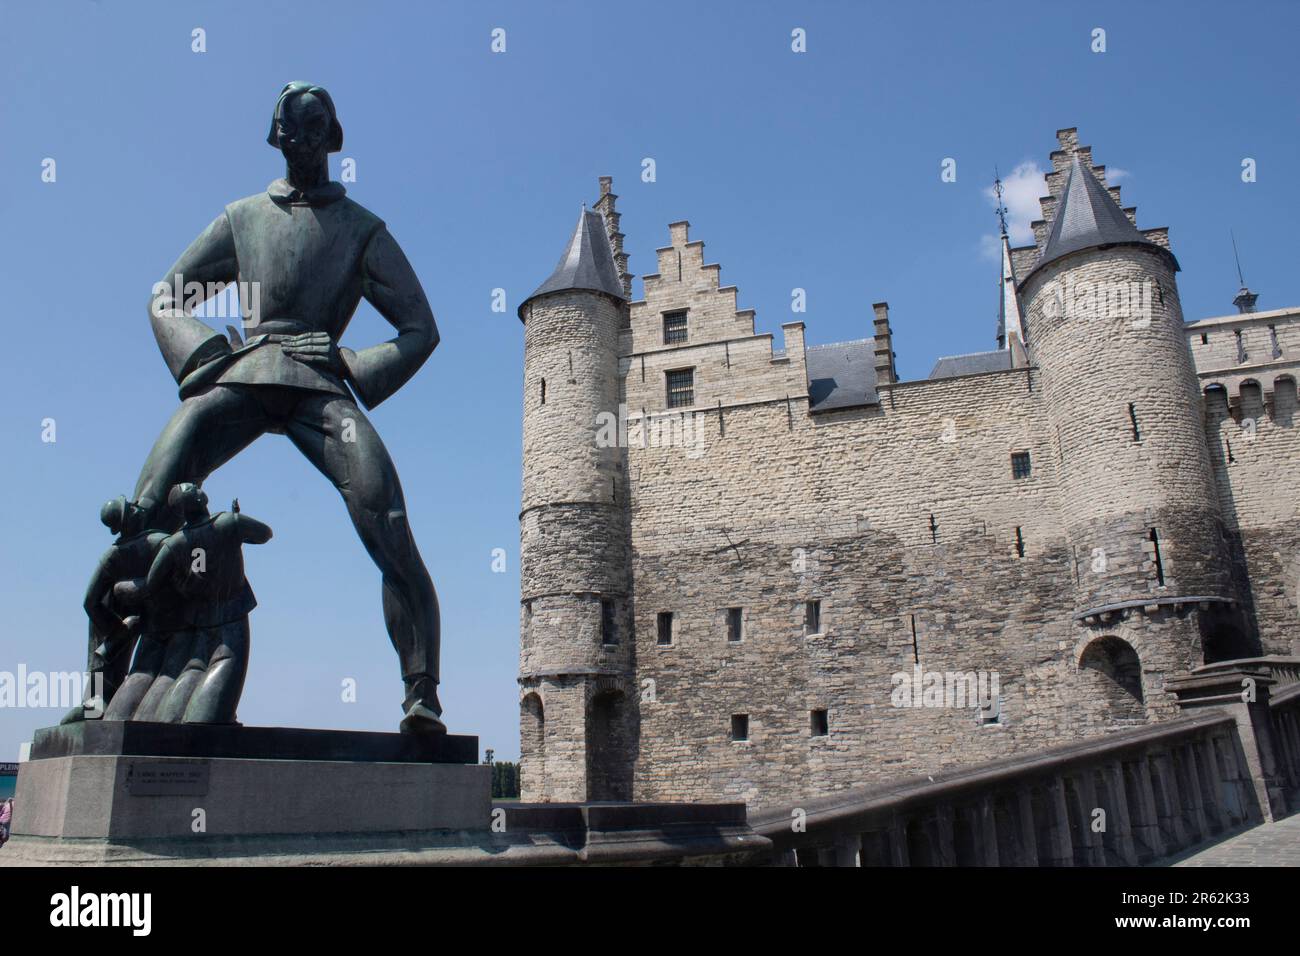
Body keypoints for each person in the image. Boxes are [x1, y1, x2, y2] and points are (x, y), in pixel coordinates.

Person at [130, 82, 444, 733]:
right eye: (291, 129)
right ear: (278, 138)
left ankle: (422, 692)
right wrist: (207, 356)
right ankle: (118, 671)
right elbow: (166, 298)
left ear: (332, 138)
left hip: (318, 385)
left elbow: (420, 327)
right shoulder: (243, 218)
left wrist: (350, 361)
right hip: (246, 374)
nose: (302, 139)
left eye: (315, 127)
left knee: (385, 514)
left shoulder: (360, 230)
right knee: (151, 497)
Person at [104, 484, 271, 725]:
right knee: (214, 695)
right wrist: (236, 528)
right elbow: (265, 534)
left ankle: (160, 726)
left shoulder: (174, 543)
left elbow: (151, 584)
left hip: (196, 623)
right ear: (201, 498)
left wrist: (120, 590)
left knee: (192, 673)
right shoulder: (227, 523)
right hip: (231, 617)